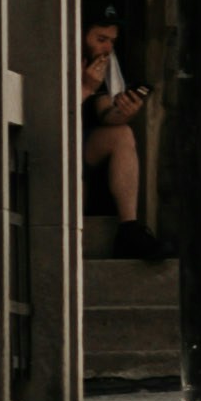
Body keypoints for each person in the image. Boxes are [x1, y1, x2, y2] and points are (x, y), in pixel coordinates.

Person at [83, 14, 145, 246]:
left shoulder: (103, 62)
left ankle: (129, 228)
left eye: (112, 41)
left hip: (84, 146)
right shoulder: (63, 56)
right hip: (52, 144)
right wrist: (85, 87)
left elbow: (105, 114)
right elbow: (51, 115)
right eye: (101, 39)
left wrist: (125, 112)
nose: (108, 47)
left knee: (123, 133)